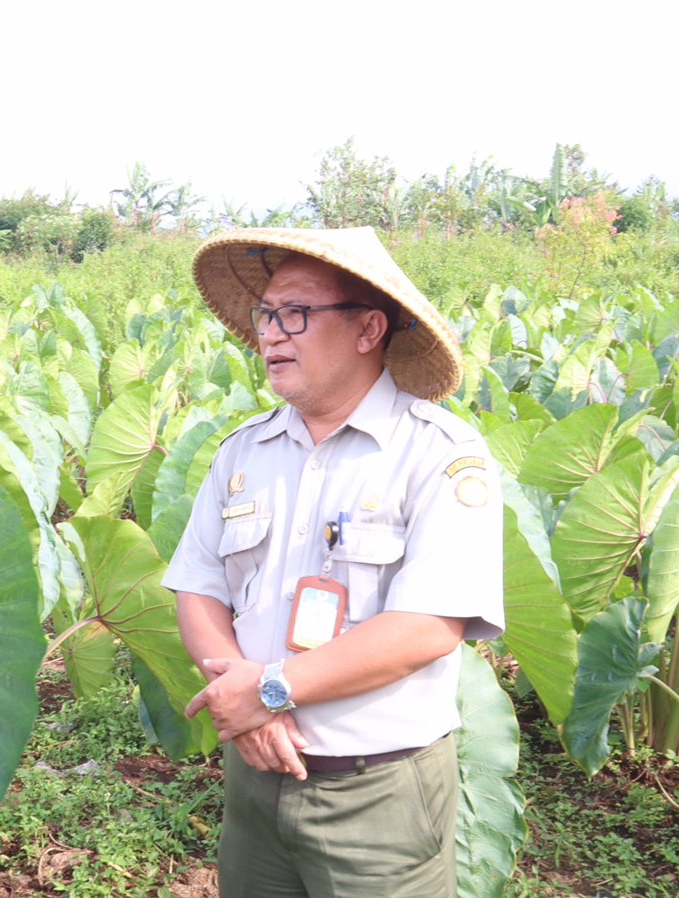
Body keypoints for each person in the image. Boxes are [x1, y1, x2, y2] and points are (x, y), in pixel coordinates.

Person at [165, 227, 505, 898]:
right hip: (255, 777)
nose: (271, 334)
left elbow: (427, 627)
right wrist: (251, 706)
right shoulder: (244, 451)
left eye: (296, 314)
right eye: (267, 314)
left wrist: (269, 690)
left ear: (367, 329)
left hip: (374, 789)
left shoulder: (439, 454)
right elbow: (198, 588)